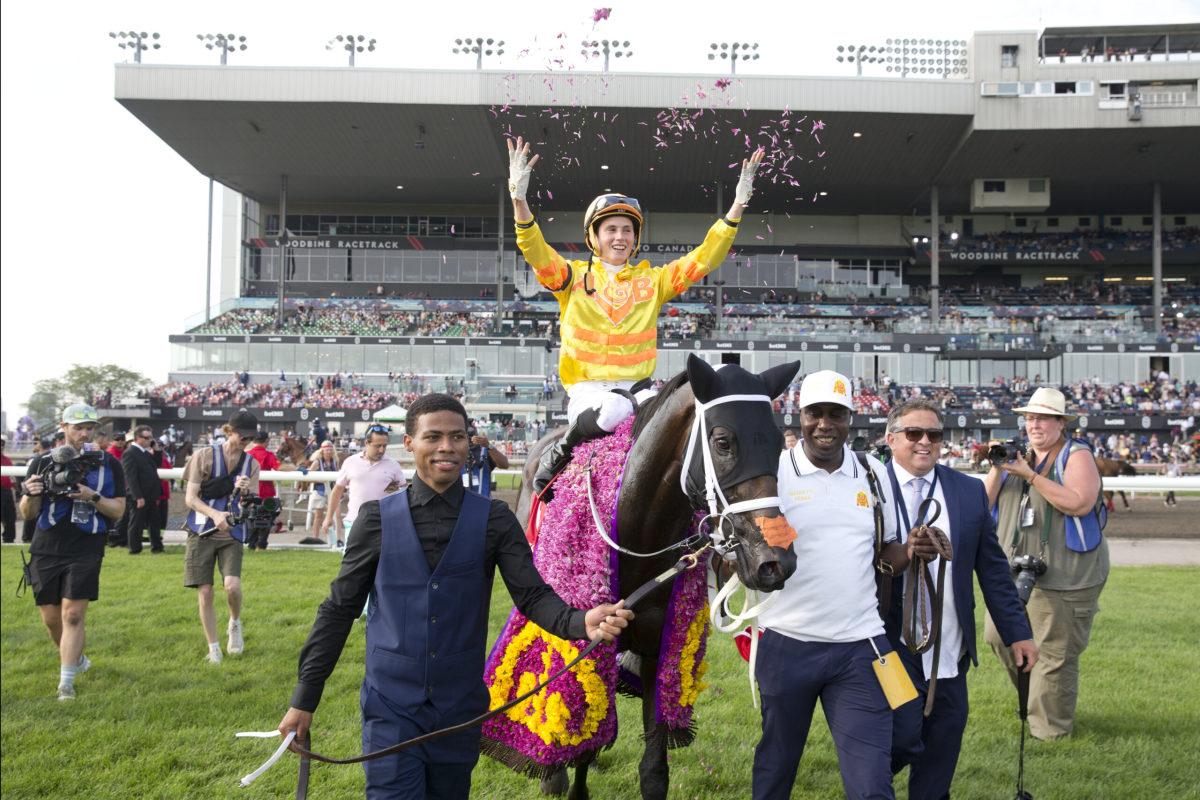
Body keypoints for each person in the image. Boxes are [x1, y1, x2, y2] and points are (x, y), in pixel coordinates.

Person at [276, 394, 633, 798]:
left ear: (469, 442)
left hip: (458, 711)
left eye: (457, 437)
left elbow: (532, 596)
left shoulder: (494, 519)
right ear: (409, 443)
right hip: (390, 709)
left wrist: (578, 621)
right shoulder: (375, 520)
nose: (446, 447)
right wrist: (304, 698)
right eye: (433, 437)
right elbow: (339, 610)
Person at [506, 136, 766, 495]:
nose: (620, 237)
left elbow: (704, 258)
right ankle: (560, 453)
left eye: (627, 230)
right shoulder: (571, 277)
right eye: (610, 229)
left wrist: (738, 204)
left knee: (686, 418)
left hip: (641, 393)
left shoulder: (654, 281)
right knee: (612, 409)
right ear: (594, 236)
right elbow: (535, 250)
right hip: (590, 394)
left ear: (636, 237)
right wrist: (519, 200)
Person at [753, 370, 914, 800]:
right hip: (788, 644)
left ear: (850, 418)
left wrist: (913, 548)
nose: (825, 424)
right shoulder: (774, 472)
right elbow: (756, 553)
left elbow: (887, 554)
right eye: (815, 414)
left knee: (872, 785)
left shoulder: (874, 472)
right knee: (775, 771)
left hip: (861, 647)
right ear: (799, 416)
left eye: (836, 414)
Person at [883, 398, 1037, 799]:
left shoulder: (968, 492)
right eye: (913, 433)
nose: (924, 442)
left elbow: (994, 572)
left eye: (933, 435)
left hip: (950, 649)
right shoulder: (869, 489)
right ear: (891, 439)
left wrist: (1017, 633)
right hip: (889, 647)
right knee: (901, 737)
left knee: (942, 747)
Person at [982, 387, 1108, 741]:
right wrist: (998, 466)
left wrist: (1031, 476)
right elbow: (982, 506)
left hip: (1065, 576)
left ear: (1060, 423)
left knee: (1054, 653)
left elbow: (1080, 502)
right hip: (1011, 571)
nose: (1034, 424)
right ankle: (1033, 703)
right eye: (1029, 418)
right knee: (999, 637)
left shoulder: (1075, 454)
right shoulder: (1016, 456)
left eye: (1042, 418)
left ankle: (1049, 732)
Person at [19, 404, 126, 700]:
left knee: (74, 615)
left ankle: (65, 684)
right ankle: (76, 659)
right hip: (47, 544)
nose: (84, 433)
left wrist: (92, 496)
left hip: (87, 544)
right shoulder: (40, 462)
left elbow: (118, 510)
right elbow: (27, 514)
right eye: (78, 427)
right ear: (63, 427)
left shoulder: (109, 463)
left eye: (90, 427)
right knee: (52, 618)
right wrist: (30, 493)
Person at [183, 409, 261, 664]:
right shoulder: (202, 456)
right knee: (205, 591)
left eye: (251, 437)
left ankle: (234, 624)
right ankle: (213, 647)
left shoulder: (252, 464)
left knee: (232, 586)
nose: (247, 442)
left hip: (232, 531)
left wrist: (245, 495)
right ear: (229, 431)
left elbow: (252, 503)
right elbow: (190, 498)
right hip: (201, 530)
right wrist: (215, 514)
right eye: (243, 436)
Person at [321, 424, 406, 547]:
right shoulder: (350, 462)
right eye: (377, 446)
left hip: (384, 525)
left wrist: (398, 491)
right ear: (366, 443)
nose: (382, 450)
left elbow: (405, 492)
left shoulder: (393, 465)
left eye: (384, 446)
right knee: (352, 565)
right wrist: (329, 517)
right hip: (354, 524)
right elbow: (337, 490)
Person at [122, 425, 164, 554]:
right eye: (147, 438)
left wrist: (156, 450)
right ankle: (134, 548)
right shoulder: (130, 453)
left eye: (151, 438)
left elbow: (157, 464)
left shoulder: (145, 452)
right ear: (138, 438)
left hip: (151, 494)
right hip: (139, 495)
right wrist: (138, 496)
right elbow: (130, 477)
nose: (150, 440)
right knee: (136, 523)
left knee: (154, 522)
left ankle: (157, 547)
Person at [245, 430, 286, 550]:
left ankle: (251, 545)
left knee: (251, 520)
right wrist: (297, 468)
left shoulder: (247, 455)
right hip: (266, 494)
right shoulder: (268, 455)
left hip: (249, 493)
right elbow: (279, 467)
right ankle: (261, 545)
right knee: (265, 521)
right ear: (266, 441)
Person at [305, 440, 341, 543]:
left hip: (332, 491)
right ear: (322, 451)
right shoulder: (317, 462)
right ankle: (315, 538)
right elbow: (309, 477)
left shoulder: (335, 462)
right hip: (320, 491)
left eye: (330, 450)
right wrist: (322, 480)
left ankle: (338, 539)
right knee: (318, 516)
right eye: (327, 450)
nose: (329, 452)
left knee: (337, 515)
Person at [462, 426, 509, 497]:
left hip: (483, 501)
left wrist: (488, 446)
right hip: (460, 503)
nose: (470, 440)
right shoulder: (456, 451)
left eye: (472, 437)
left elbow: (504, 465)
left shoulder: (485, 451)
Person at [106, 432, 130, 548]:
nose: (120, 441)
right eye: (118, 439)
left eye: (122, 439)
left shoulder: (125, 453)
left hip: (124, 487)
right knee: (117, 516)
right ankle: (114, 541)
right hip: (113, 488)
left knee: (125, 516)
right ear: (112, 441)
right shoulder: (110, 454)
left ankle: (122, 540)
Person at [1, 436, 16, 543]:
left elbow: (12, 476)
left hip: (7, 491)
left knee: (10, 516)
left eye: (2, 445)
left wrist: (17, 488)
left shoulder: (7, 460)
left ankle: (9, 538)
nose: (1, 447)